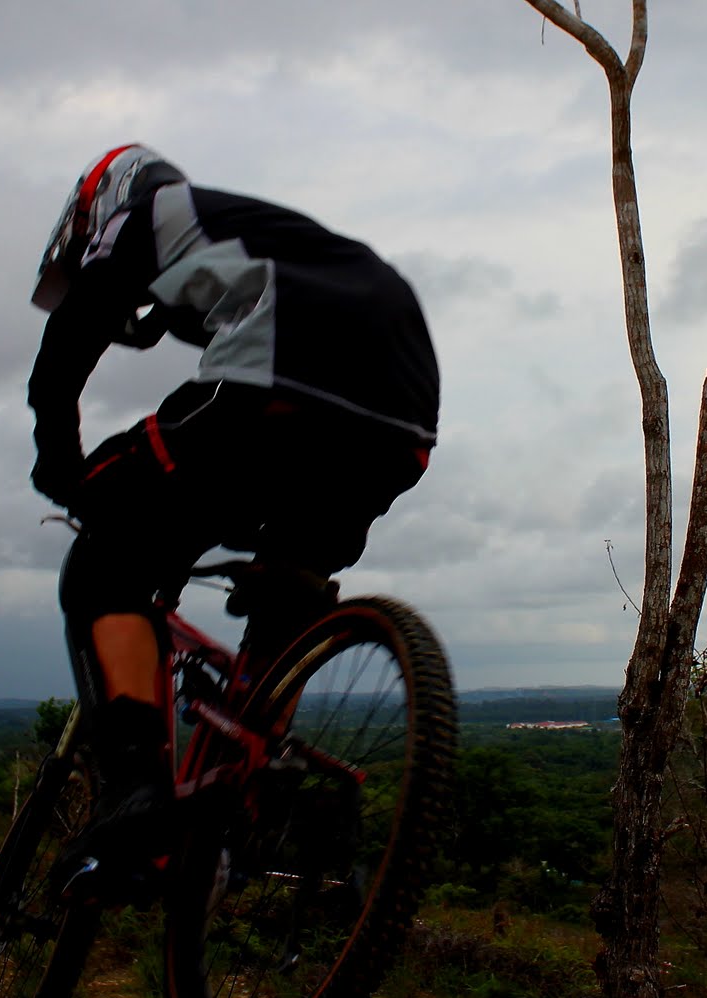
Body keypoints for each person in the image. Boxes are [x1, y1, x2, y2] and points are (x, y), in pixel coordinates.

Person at [27, 143, 439, 877]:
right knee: (287, 579)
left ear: (97, 201)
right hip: (401, 420)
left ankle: (135, 790)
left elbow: (75, 329)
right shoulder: (255, 235)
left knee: (103, 567)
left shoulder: (147, 213)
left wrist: (58, 456)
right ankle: (252, 789)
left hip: (279, 387)